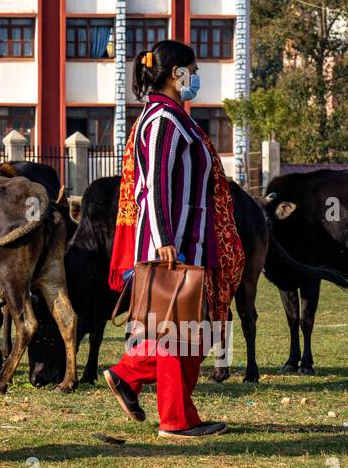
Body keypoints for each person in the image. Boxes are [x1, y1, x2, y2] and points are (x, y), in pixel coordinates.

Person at [102, 39, 244, 440]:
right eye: (192, 71)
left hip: (190, 239)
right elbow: (156, 183)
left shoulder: (173, 117)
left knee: (187, 331)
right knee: (177, 333)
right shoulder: (162, 121)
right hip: (173, 242)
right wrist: (164, 236)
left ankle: (133, 378)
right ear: (176, 74)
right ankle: (175, 419)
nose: (196, 78)